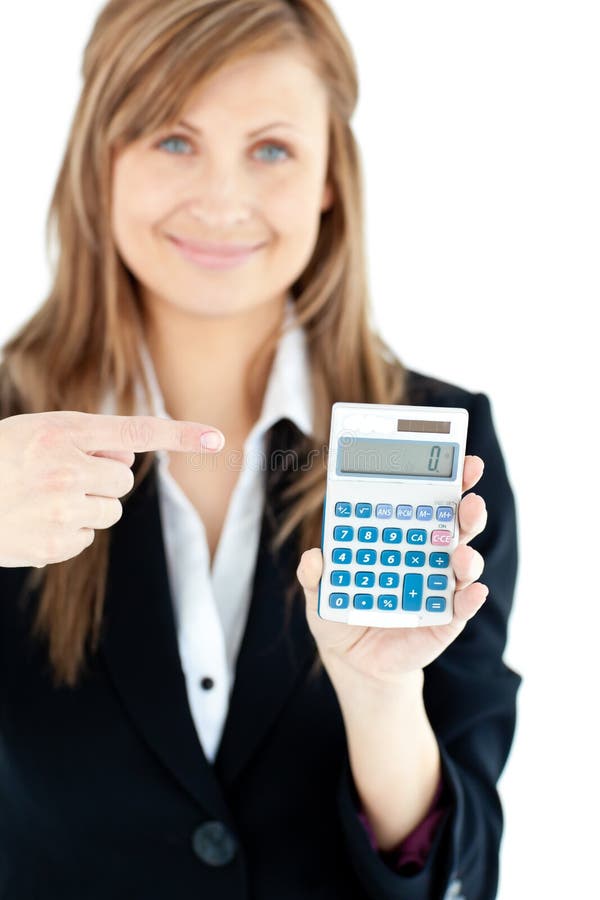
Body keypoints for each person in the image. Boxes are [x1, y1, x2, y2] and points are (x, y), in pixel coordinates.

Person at [0, 1, 521, 898]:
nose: (221, 200)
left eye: (271, 149)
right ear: (101, 158)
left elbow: (456, 878)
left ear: (328, 176)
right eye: (173, 139)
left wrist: (379, 697)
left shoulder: (440, 437)